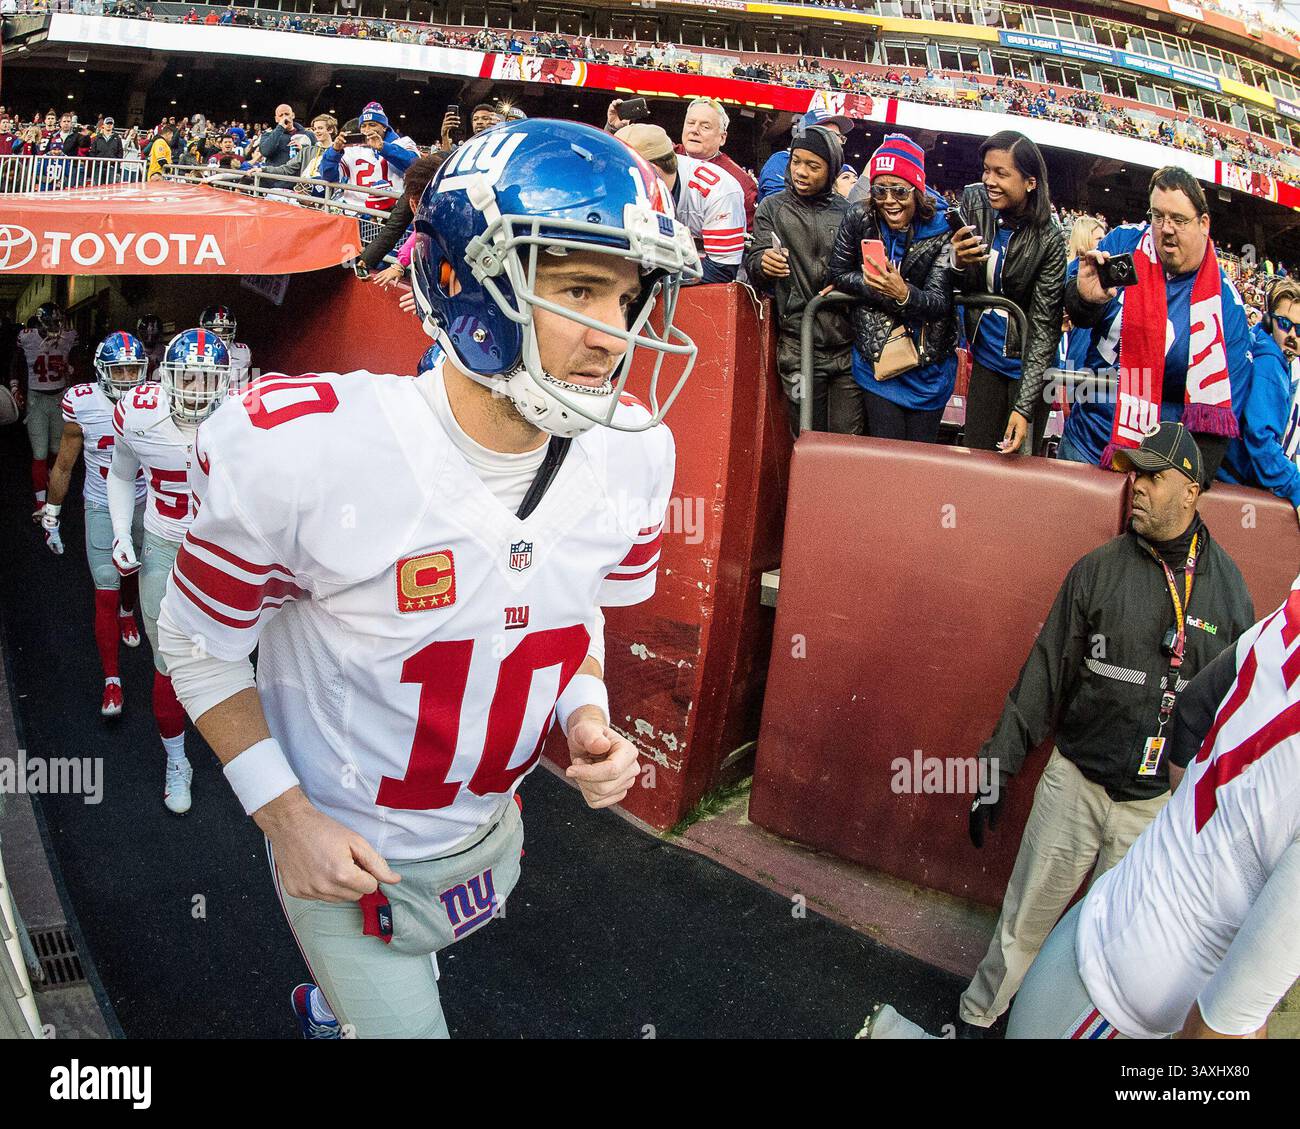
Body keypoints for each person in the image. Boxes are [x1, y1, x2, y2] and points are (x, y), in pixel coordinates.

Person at [155, 119, 700, 1040]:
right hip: (344, 847)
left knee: (402, 974)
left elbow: (574, 611)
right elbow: (196, 643)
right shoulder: (315, 452)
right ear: (471, 285)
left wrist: (585, 711)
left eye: (628, 296)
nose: (615, 334)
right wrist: (285, 818)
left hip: (481, 838)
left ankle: (333, 1006)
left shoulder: (633, 455)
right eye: (577, 290)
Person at [955, 422, 1254, 1037]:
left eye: (1152, 476)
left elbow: (1233, 719)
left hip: (1153, 816)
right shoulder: (1097, 571)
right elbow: (1043, 676)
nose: (1136, 487)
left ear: (1192, 491)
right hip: (1075, 787)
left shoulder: (1229, 595)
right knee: (1020, 930)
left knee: (1112, 962)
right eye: (1134, 475)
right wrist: (996, 767)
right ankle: (975, 1021)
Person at [1007, 581, 1300, 1038]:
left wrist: (1190, 832)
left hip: (1106, 925)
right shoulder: (1104, 569)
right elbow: (1218, 1029)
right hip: (1117, 1003)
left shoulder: (1268, 602)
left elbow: (1194, 707)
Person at [109, 329, 232, 815]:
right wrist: (122, 532)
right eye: (188, 378)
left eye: (208, 380)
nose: (197, 390)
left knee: (234, 652)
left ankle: (243, 746)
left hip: (224, 549)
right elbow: (121, 474)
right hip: (163, 542)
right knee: (167, 663)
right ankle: (177, 759)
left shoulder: (241, 419)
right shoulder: (139, 412)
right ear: (166, 378)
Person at [1060, 166, 1250, 479]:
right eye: (1158, 216)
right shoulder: (1123, 243)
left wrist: (1182, 486)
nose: (1166, 228)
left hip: (1157, 470)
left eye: (1178, 219)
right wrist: (1085, 298)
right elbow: (1075, 314)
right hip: (1085, 444)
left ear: (1204, 223)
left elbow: (1217, 420)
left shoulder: (1225, 308)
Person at [41, 333, 149, 717]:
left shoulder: (153, 400)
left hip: (144, 501)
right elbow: (66, 463)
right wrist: (52, 515)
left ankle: (128, 612)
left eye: (132, 369)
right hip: (101, 503)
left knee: (134, 571)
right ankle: (112, 679)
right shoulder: (82, 402)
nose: (125, 377)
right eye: (118, 369)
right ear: (102, 371)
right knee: (106, 585)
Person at [828, 133, 958, 443]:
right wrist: (880, 288)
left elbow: (939, 302)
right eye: (880, 190)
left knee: (917, 464)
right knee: (886, 458)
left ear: (917, 190)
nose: (889, 200)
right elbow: (838, 271)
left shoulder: (943, 228)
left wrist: (904, 293)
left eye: (900, 191)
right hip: (878, 361)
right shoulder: (861, 215)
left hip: (929, 368)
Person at [951, 130, 1066, 455]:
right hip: (985, 362)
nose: (990, 180)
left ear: (1030, 182)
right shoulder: (973, 203)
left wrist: (1024, 406)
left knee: (1015, 470)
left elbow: (1044, 329)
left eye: (1002, 173)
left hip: (1028, 372)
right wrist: (956, 262)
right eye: (987, 170)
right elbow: (952, 281)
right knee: (977, 461)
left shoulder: (1050, 239)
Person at [745, 124, 855, 435]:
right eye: (796, 162)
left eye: (813, 165)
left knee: (846, 443)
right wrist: (763, 263)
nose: (801, 172)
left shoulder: (850, 213)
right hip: (797, 346)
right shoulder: (772, 207)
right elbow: (754, 261)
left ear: (831, 170)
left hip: (847, 349)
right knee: (806, 441)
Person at [616, 123, 746, 284]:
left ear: (651, 169)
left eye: (621, 173)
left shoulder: (720, 191)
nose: (616, 181)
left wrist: (648, 280)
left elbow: (721, 270)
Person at [1218, 277, 1300, 523]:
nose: (1293, 335)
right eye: (1285, 324)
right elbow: (1260, 438)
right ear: (1268, 320)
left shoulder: (1260, 345)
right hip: (1232, 483)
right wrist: (1295, 486)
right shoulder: (1271, 364)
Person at [12, 302, 79, 520]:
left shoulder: (67, 338)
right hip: (37, 399)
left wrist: (71, 374)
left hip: (58, 397)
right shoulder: (28, 337)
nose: (55, 327)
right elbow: (14, 362)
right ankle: (41, 501)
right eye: (51, 323)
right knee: (39, 452)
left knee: (54, 449)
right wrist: (15, 386)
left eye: (58, 323)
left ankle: (51, 482)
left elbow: (78, 361)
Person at [320, 101, 419, 214]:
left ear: (384, 127)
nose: (367, 129)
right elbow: (328, 176)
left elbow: (416, 167)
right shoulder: (349, 150)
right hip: (355, 212)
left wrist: (383, 148)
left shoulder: (403, 143)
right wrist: (334, 151)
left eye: (372, 124)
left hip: (392, 213)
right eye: (363, 126)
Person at [756, 107, 854, 205]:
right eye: (832, 135)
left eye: (841, 136)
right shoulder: (781, 161)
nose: (840, 141)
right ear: (807, 136)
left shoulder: (831, 169)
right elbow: (779, 210)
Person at [198, 304, 252, 388]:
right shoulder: (193, 349)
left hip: (233, 398)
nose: (220, 335)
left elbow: (244, 388)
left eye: (225, 330)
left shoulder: (242, 352)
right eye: (215, 330)